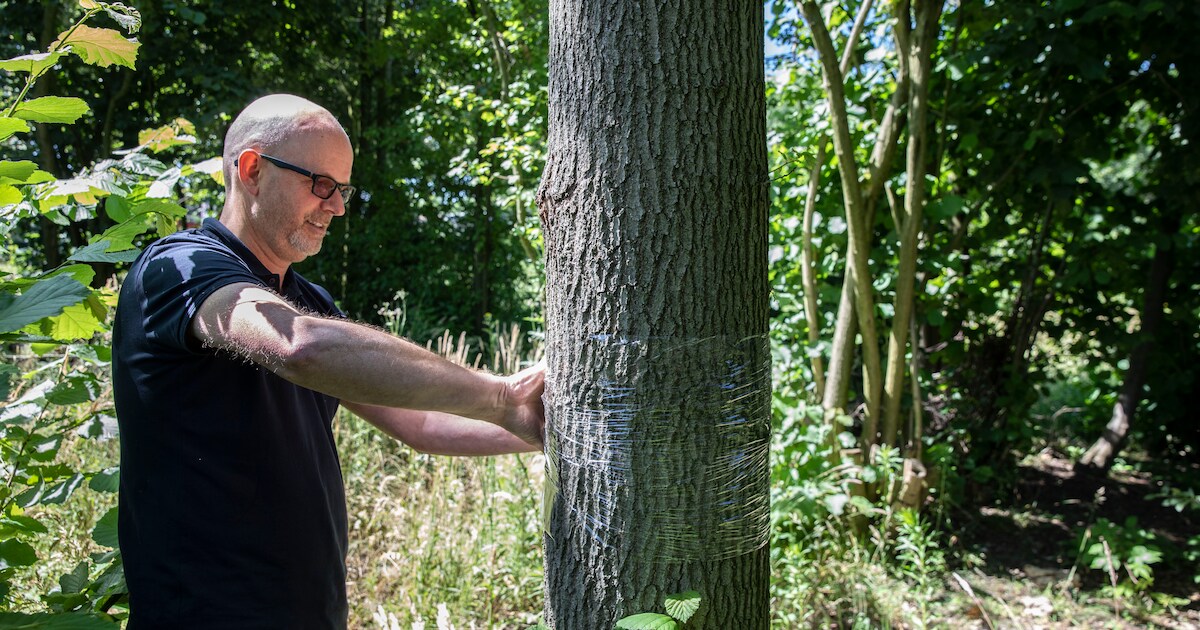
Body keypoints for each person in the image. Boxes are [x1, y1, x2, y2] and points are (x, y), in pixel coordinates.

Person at [112, 94, 545, 629]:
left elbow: (424, 424)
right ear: (251, 170)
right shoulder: (180, 267)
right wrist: (499, 395)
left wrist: (536, 425)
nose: (337, 207)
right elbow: (299, 346)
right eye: (320, 184)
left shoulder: (310, 300)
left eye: (343, 190)